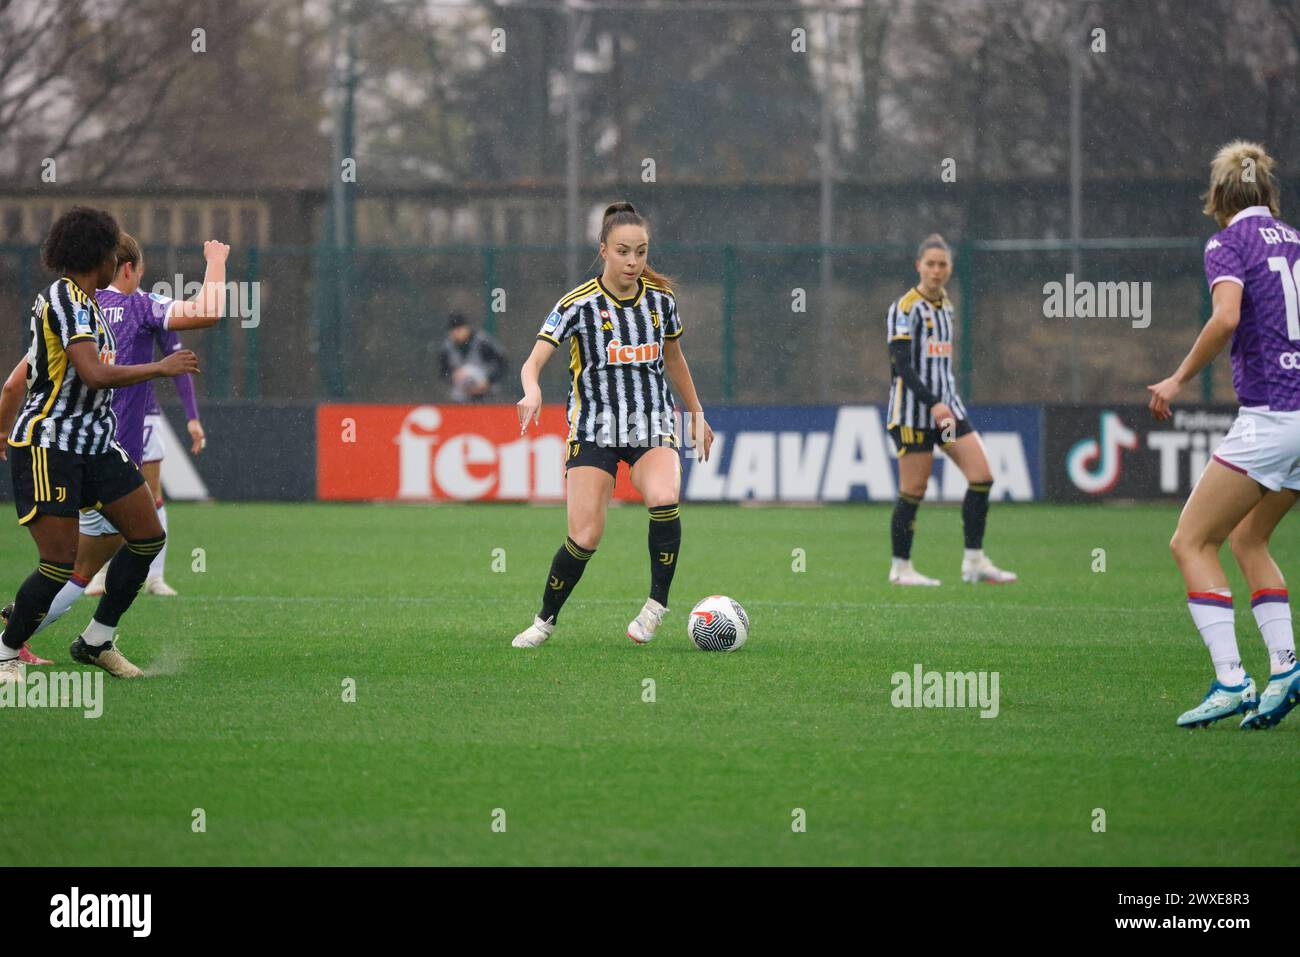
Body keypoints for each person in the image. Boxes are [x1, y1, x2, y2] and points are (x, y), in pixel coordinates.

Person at [0, 207, 198, 684]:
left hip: (96, 444)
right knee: (59, 562)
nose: (118, 260)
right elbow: (93, 373)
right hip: (52, 444)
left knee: (148, 535)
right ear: (97, 256)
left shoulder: (89, 304)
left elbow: (14, 385)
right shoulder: (63, 300)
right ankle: (5, 652)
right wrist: (160, 369)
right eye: (113, 252)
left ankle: (96, 640)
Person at [512, 201, 714, 648]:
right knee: (585, 536)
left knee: (664, 496)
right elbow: (535, 359)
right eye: (623, 251)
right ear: (603, 250)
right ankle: (545, 620)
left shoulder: (661, 302)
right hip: (593, 431)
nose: (633, 261)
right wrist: (531, 389)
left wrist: (696, 413)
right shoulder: (577, 304)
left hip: (651, 425)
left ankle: (656, 605)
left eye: (640, 252)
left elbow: (675, 359)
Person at [1149, 140, 1300, 730]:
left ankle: (1232, 679)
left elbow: (1227, 318)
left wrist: (1179, 378)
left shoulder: (1226, 243)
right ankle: (1285, 667)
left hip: (1269, 420)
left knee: (1190, 542)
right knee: (1248, 540)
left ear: (1218, 196)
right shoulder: (1294, 241)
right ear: (1267, 191)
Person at [83, 233, 221, 598]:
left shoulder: (78, 306)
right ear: (129, 268)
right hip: (128, 424)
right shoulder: (143, 305)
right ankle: (98, 604)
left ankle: (131, 583)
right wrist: (217, 261)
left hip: (77, 433)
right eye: (141, 269)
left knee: (78, 542)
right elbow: (204, 317)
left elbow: (23, 377)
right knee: (140, 521)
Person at [884, 234, 1017, 587]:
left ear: (950, 268)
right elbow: (900, 364)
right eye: (930, 264)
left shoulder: (947, 306)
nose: (937, 270)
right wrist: (933, 403)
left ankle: (974, 562)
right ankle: (901, 569)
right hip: (914, 413)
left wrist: (946, 403)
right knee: (914, 489)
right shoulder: (906, 308)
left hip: (948, 412)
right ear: (919, 266)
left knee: (982, 476)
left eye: (943, 264)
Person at [439, 313, 507, 402]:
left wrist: (488, 381)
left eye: (459, 329)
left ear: (466, 328)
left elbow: (502, 363)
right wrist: (452, 377)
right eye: (453, 330)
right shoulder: (447, 348)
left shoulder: (482, 342)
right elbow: (443, 372)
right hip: (461, 397)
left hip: (487, 395)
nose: (456, 333)